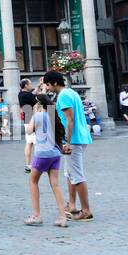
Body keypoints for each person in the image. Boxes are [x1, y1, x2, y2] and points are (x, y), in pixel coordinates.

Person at [42, 70, 94, 221]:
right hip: (79, 137)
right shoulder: (71, 92)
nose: (47, 87)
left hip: (74, 140)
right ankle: (72, 206)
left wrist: (68, 141)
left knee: (77, 175)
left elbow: (69, 120)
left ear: (54, 83)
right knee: (70, 173)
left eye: (48, 84)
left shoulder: (63, 96)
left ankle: (86, 210)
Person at [24, 97, 69, 227]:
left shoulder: (38, 116)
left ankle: (36, 215)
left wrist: (33, 115)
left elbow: (28, 130)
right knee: (56, 185)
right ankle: (62, 217)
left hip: (42, 154)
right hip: (55, 153)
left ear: (39, 105)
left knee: (33, 181)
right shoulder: (52, 115)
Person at [19, 78, 38, 172]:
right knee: (36, 143)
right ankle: (37, 164)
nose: (31, 85)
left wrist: (38, 86)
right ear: (26, 85)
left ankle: (28, 165)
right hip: (33, 120)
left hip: (27, 119)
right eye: (30, 84)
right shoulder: (28, 95)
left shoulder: (21, 94)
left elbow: (33, 94)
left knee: (29, 142)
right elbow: (38, 101)